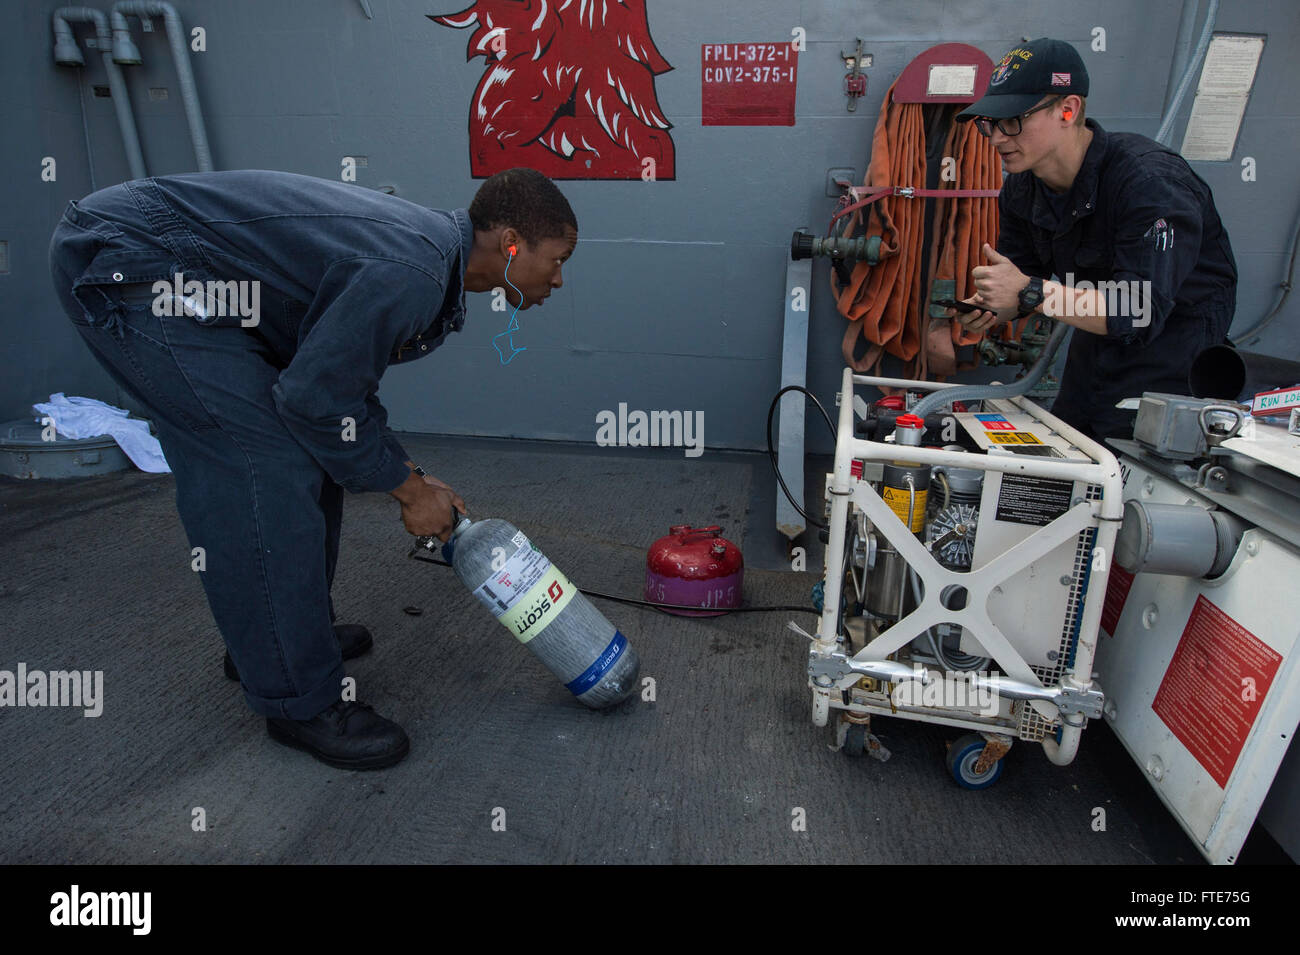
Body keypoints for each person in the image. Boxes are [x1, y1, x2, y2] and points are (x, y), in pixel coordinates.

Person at [48, 167, 578, 769]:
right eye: (557, 259)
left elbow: (338, 391)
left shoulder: (427, 259)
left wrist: (410, 473)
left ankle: (282, 642)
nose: (559, 279)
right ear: (511, 244)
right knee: (262, 465)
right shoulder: (412, 271)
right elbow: (313, 401)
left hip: (175, 261)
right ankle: (298, 701)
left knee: (307, 450)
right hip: (131, 260)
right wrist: (406, 492)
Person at [949, 37, 1237, 442]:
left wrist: (1030, 293)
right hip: (1094, 355)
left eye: (1012, 121)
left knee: (1128, 483)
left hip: (1172, 369)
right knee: (1071, 467)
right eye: (989, 124)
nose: (996, 138)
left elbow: (1140, 310)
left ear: (1068, 110)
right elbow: (1026, 277)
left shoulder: (1151, 185)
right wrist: (994, 307)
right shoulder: (1022, 189)